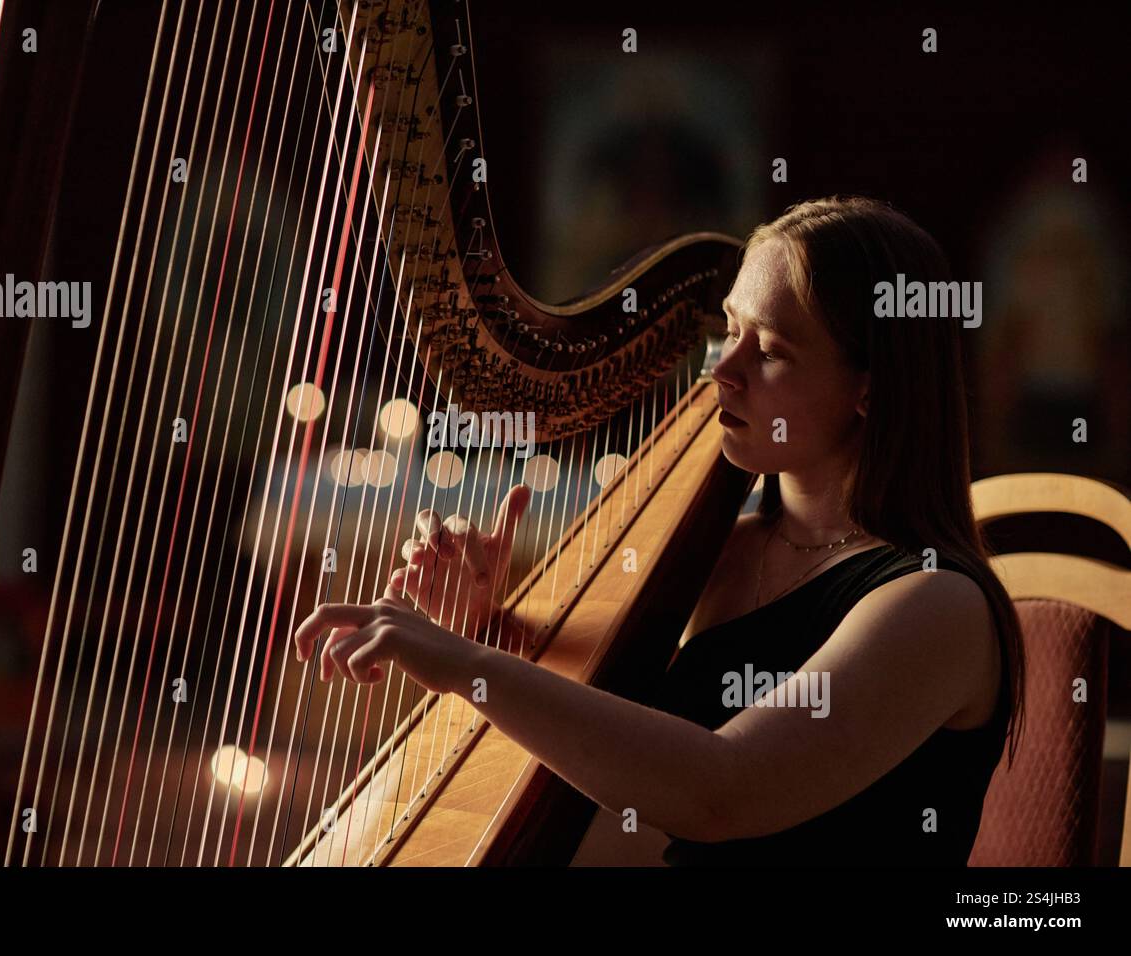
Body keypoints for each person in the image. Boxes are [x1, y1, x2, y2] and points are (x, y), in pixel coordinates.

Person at [294, 196, 1026, 866]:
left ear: (870, 388)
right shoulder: (726, 549)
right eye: (729, 332)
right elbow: (624, 747)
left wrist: (465, 666)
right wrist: (488, 632)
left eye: (769, 350)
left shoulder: (936, 606)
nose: (721, 371)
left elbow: (719, 790)